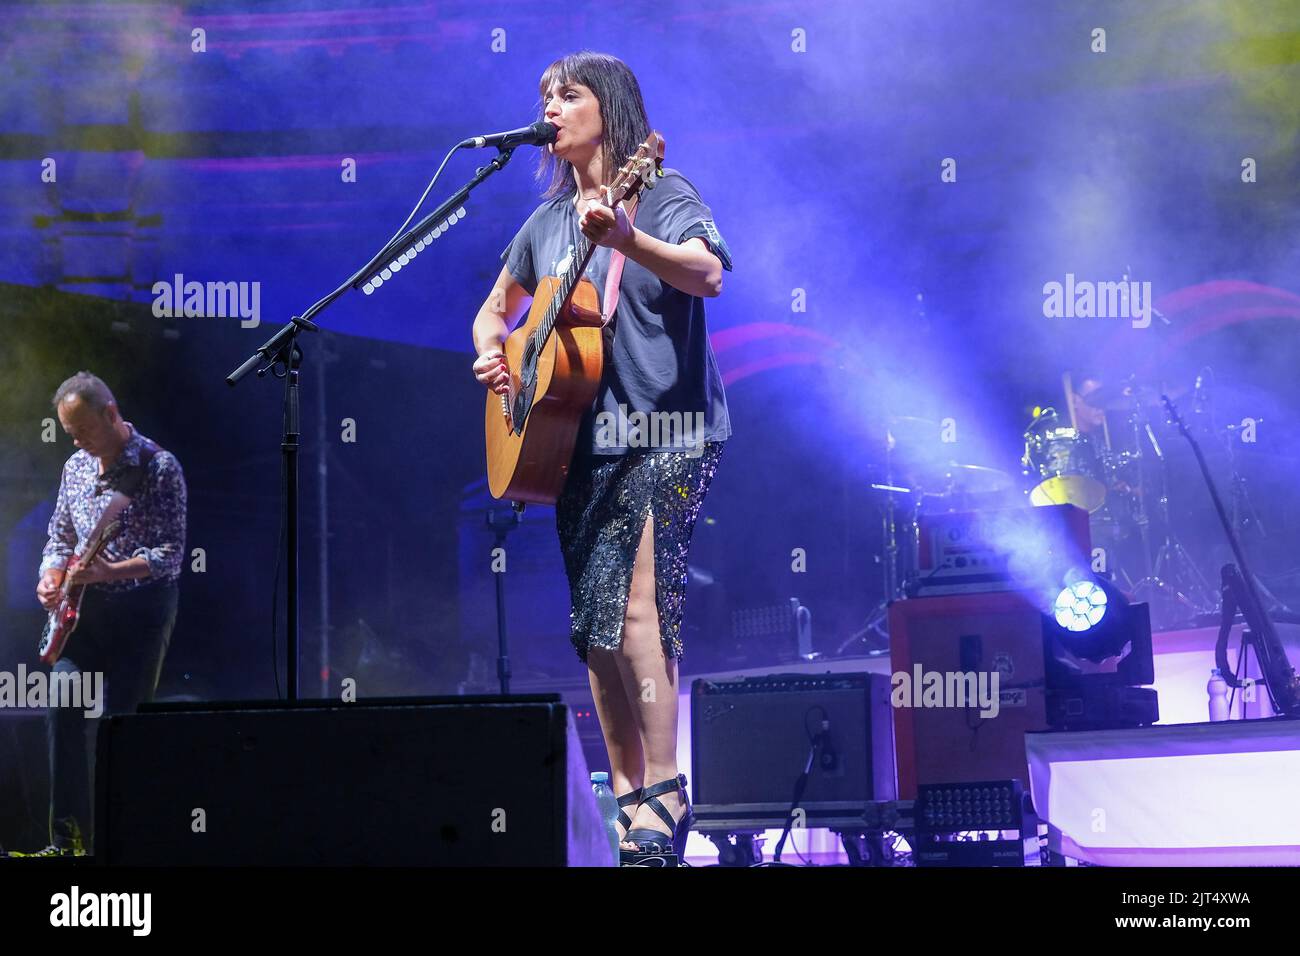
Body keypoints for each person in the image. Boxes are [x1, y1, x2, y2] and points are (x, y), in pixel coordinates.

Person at [470, 51, 733, 862]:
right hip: (577, 439)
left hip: (665, 431)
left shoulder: (660, 189)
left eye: (568, 94)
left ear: (609, 108)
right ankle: (628, 794)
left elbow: (710, 274)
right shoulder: (545, 225)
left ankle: (667, 785)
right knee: (593, 628)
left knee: (638, 610)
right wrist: (494, 355)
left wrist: (630, 238)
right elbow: (495, 309)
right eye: (545, 95)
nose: (551, 106)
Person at [21, 371, 186, 857]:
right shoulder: (74, 467)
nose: (76, 441)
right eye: (69, 433)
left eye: (83, 430)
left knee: (122, 727)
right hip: (84, 615)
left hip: (141, 613)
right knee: (62, 707)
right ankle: (65, 842)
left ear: (110, 414)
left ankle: (121, 844)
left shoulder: (159, 467)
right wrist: (50, 576)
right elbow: (60, 537)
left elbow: (171, 556)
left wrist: (110, 573)